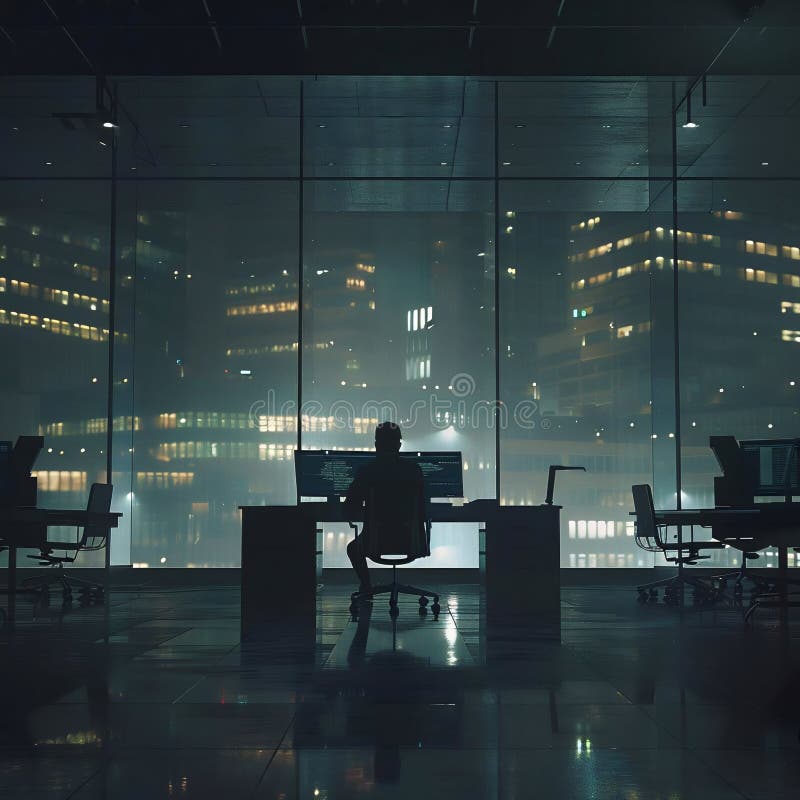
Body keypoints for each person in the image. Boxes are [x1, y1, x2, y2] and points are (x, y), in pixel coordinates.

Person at [343, 422, 427, 592]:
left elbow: (350, 506)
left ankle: (366, 586)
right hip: (410, 541)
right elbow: (423, 506)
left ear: (376, 445)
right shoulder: (414, 470)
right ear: (399, 445)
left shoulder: (367, 471)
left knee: (353, 548)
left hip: (375, 542)